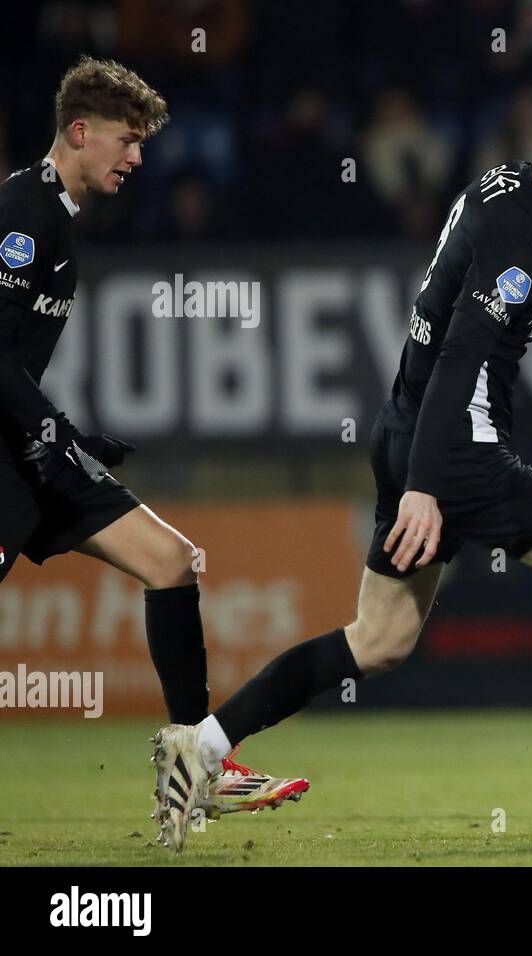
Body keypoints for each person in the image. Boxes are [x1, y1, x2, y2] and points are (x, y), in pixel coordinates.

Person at [152, 90, 532, 852]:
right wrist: (425, 487)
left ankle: (203, 745)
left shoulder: (504, 187)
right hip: (459, 451)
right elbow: (461, 355)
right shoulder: (521, 234)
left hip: (401, 427)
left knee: (376, 642)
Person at [0, 57, 308, 834]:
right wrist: (50, 429)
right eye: (126, 140)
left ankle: (196, 761)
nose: (137, 158)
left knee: (171, 561)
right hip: (12, 452)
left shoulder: (60, 218)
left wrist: (59, 431)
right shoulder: (21, 213)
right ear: (79, 132)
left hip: (26, 450)